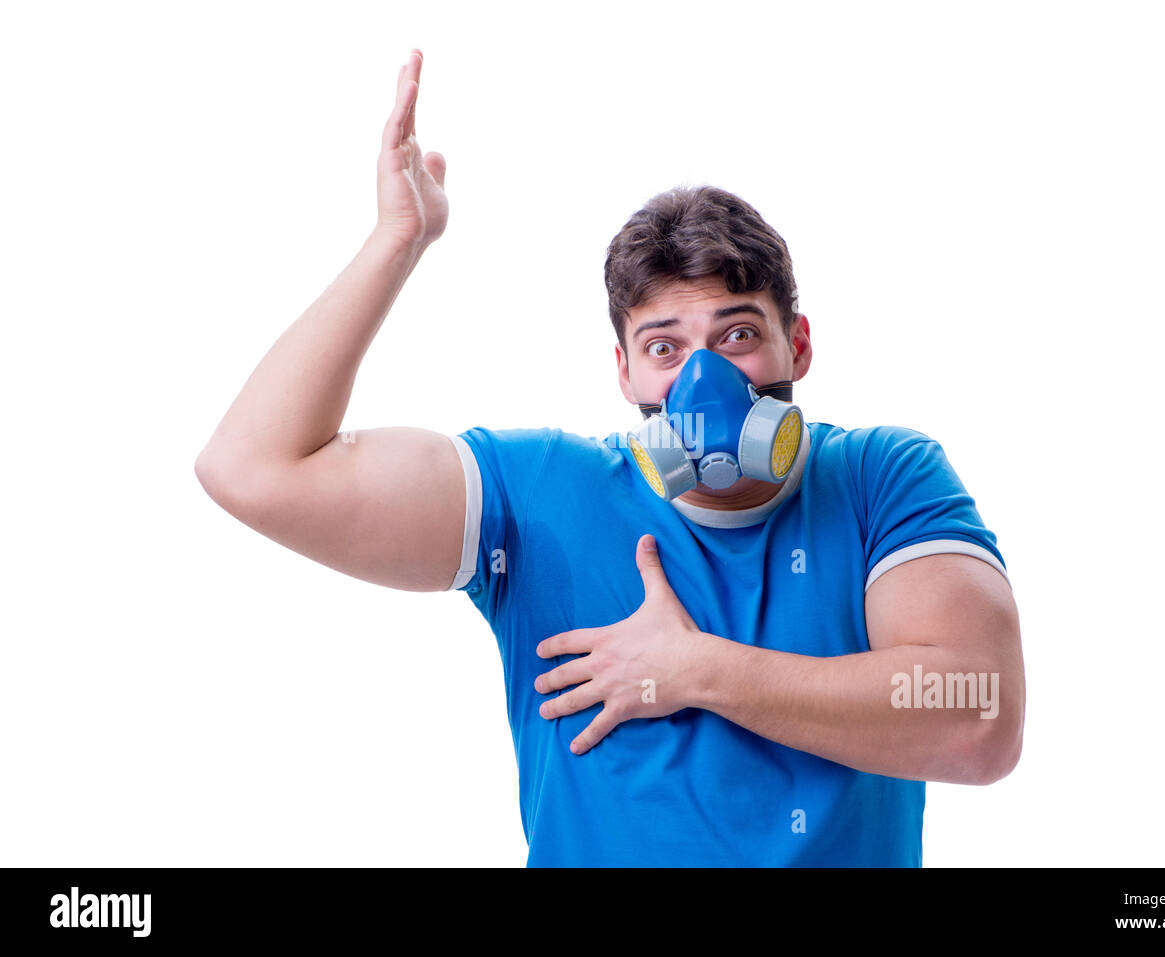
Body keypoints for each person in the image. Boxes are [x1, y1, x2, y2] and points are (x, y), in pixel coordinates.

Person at [195, 48, 1025, 867]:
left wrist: (697, 669)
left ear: (796, 345)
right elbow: (253, 466)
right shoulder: (540, 500)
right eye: (665, 348)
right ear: (623, 371)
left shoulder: (881, 480)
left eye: (736, 335)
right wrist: (397, 239)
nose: (705, 380)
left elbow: (978, 716)